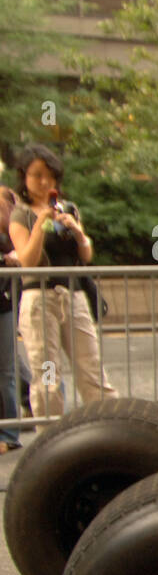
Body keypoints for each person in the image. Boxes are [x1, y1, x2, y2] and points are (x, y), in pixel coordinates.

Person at [6, 143, 118, 422]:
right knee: (48, 376)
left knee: (91, 368)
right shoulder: (22, 214)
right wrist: (41, 223)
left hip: (74, 295)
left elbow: (86, 255)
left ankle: (110, 425)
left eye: (50, 176)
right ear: (24, 177)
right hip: (40, 298)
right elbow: (28, 260)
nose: (45, 182)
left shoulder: (69, 209)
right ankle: (50, 437)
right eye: (37, 175)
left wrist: (78, 233)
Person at [0, 186, 24, 450]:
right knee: (12, 361)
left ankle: (9, 435)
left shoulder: (13, 234)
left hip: (5, 305)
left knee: (6, 369)